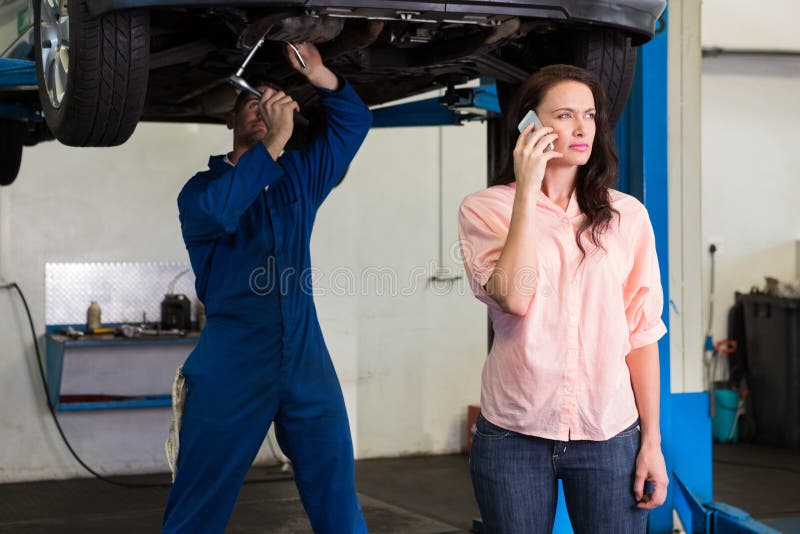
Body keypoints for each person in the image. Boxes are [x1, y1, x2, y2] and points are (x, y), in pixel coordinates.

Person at [162, 42, 372, 533]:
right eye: (253, 102)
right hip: (232, 361)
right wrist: (275, 143)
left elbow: (353, 126)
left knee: (336, 491)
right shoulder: (200, 191)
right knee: (200, 500)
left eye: (274, 101)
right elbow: (219, 212)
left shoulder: (299, 177)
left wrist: (320, 73)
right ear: (230, 120)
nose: (264, 109)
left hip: (306, 357)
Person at [458, 64, 669, 533]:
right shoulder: (485, 208)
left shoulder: (626, 216)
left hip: (609, 433)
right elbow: (513, 297)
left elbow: (641, 333)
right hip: (514, 433)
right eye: (566, 115)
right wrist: (526, 192)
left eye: (590, 115)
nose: (582, 129)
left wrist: (651, 442)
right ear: (529, 125)